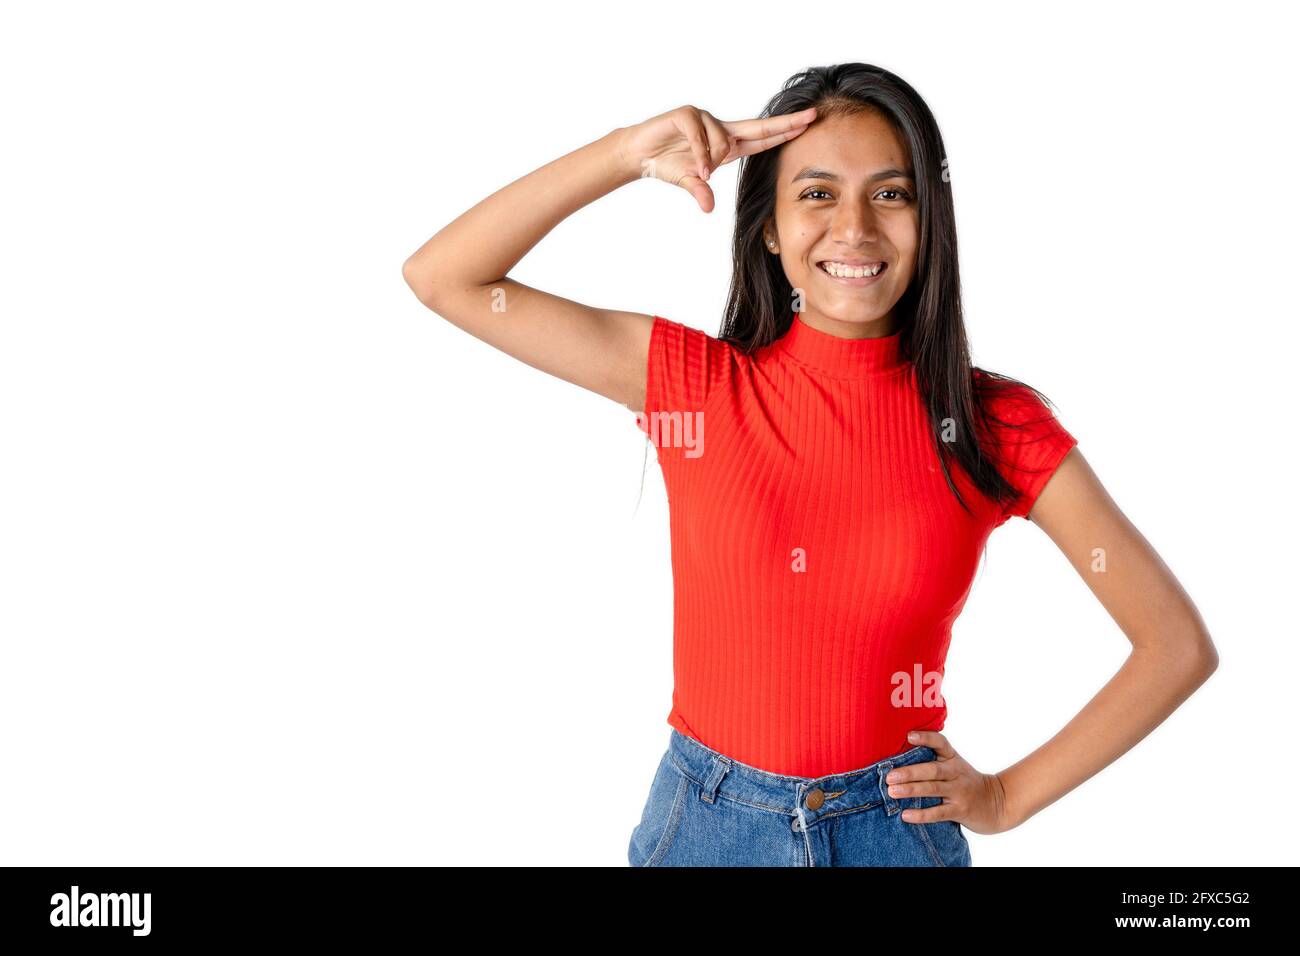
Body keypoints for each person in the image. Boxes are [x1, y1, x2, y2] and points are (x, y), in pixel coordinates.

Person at [401, 63, 1218, 867]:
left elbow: (1175, 646)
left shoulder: (990, 425)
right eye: (817, 193)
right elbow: (445, 277)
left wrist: (1007, 797)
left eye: (891, 194)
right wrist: (626, 152)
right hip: (705, 831)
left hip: (894, 833)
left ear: (930, 222)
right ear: (767, 225)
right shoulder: (695, 388)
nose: (855, 228)